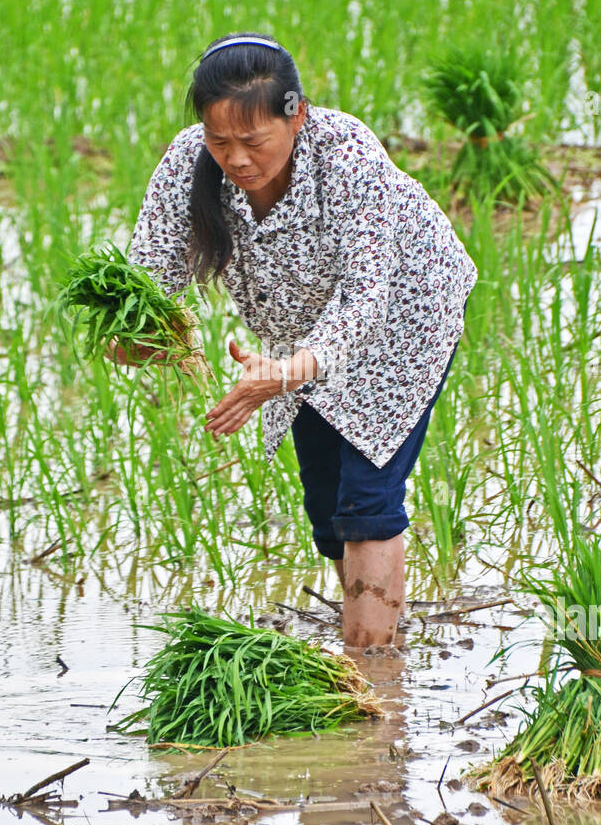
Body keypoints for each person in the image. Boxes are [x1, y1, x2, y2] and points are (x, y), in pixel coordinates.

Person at [114, 32, 477, 649]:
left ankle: (373, 683)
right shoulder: (185, 163)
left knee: (367, 500)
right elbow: (152, 271)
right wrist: (137, 332)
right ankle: (375, 637)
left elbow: (366, 295)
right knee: (326, 510)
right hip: (299, 341)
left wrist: (286, 373)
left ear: (296, 114)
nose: (237, 158)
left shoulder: (346, 152)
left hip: (404, 316)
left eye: (254, 141)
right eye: (219, 140)